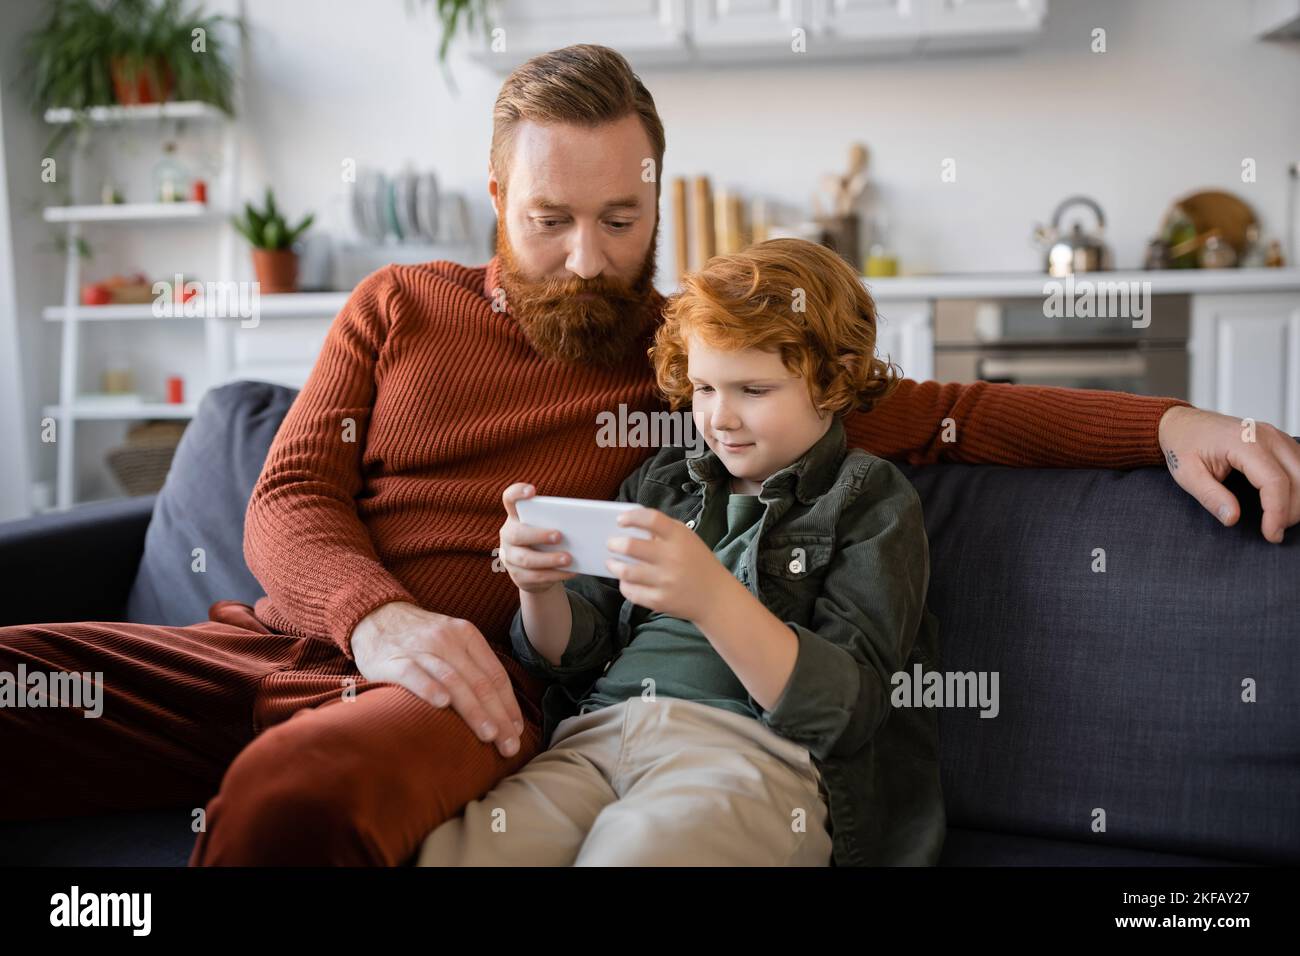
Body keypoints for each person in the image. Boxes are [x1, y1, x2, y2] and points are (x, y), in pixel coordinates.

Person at [0, 45, 1295, 867]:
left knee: (296, 802)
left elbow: (957, 412)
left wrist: (1176, 421)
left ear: (657, 202)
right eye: (551, 218)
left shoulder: (694, 361)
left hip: (462, 700)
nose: (585, 255)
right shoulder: (397, 305)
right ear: (493, 201)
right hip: (284, 638)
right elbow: (290, 494)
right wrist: (377, 619)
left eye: (621, 219)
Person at [419, 238, 941, 866]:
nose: (720, 418)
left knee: (636, 853)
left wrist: (713, 598)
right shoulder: (661, 482)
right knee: (469, 853)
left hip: (747, 758)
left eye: (753, 389)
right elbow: (570, 655)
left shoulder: (868, 500)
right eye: (703, 388)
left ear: (833, 381)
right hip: (596, 739)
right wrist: (538, 588)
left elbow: (844, 712)